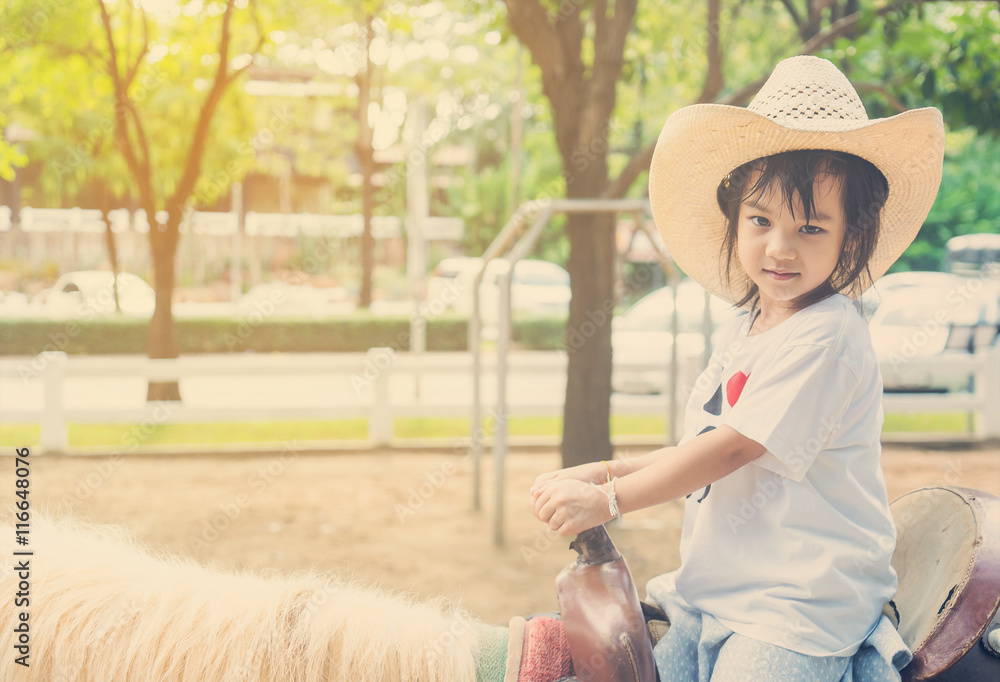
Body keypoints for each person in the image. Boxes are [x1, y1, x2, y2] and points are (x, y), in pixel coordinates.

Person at [529, 55, 945, 681]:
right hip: (714, 592)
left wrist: (610, 499)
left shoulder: (828, 337)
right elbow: (701, 444)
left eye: (810, 227)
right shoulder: (749, 326)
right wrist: (611, 467)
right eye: (761, 220)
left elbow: (732, 449)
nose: (780, 247)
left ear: (850, 240)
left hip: (797, 607)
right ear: (735, 220)